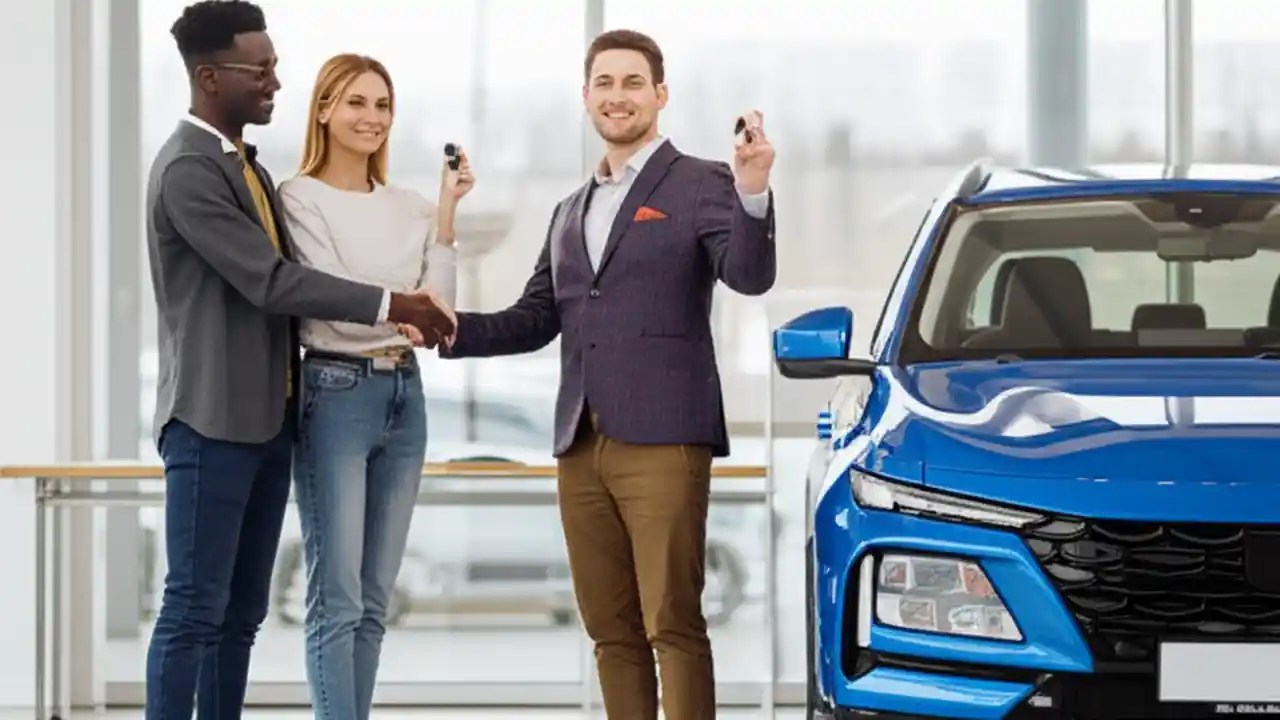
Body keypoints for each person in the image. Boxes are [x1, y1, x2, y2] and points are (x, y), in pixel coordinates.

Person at [440, 28, 776, 720]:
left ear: (660, 94)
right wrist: (448, 330)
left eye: (631, 83)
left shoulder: (702, 181)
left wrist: (752, 191)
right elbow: (536, 317)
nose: (616, 97)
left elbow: (749, 275)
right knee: (609, 633)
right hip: (580, 446)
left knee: (673, 627)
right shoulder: (572, 210)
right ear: (586, 96)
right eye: (603, 83)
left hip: (662, 435)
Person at [144, 3, 454, 718]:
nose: (276, 82)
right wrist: (394, 305)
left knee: (242, 613)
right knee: (194, 607)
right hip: (210, 419)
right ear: (210, 76)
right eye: (262, 69)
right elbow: (272, 280)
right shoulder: (188, 170)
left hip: (264, 422)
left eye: (276, 66)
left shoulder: (240, 163)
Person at [275, 53, 474, 720]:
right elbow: (328, 300)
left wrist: (446, 217)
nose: (371, 117)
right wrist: (402, 309)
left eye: (382, 105)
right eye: (356, 102)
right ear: (324, 109)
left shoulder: (412, 207)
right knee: (337, 599)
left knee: (374, 598)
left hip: (404, 398)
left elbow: (438, 318)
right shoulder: (299, 197)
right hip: (334, 394)